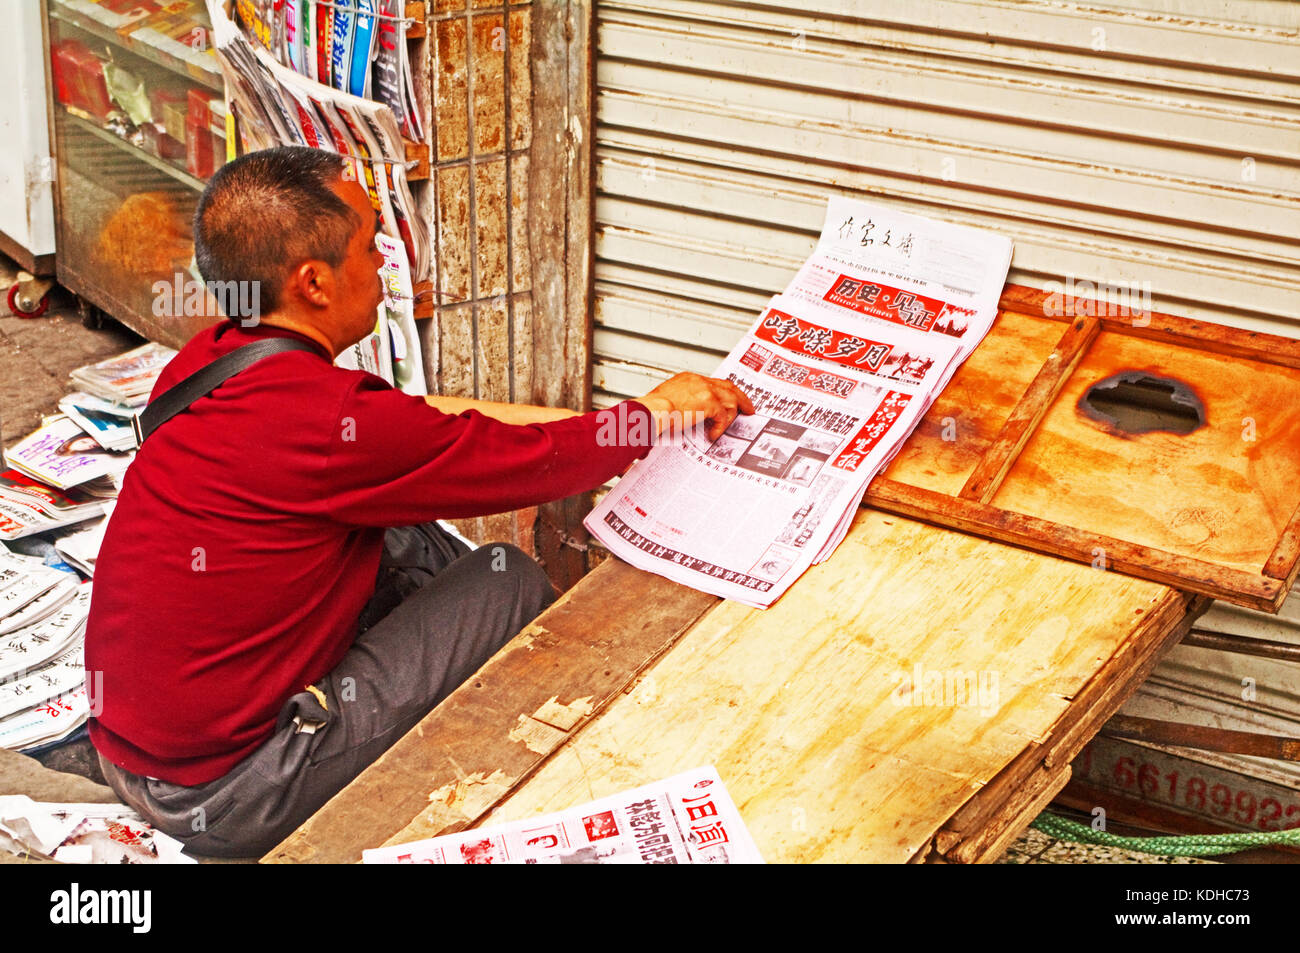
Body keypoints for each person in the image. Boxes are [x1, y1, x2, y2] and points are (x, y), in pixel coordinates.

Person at [85, 145, 752, 857]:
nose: (387, 262)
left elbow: (436, 441)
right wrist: (653, 412)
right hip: (222, 795)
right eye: (370, 244)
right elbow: (529, 464)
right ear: (312, 283)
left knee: (405, 531)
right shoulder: (329, 422)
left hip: (128, 745)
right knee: (506, 580)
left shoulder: (205, 362)